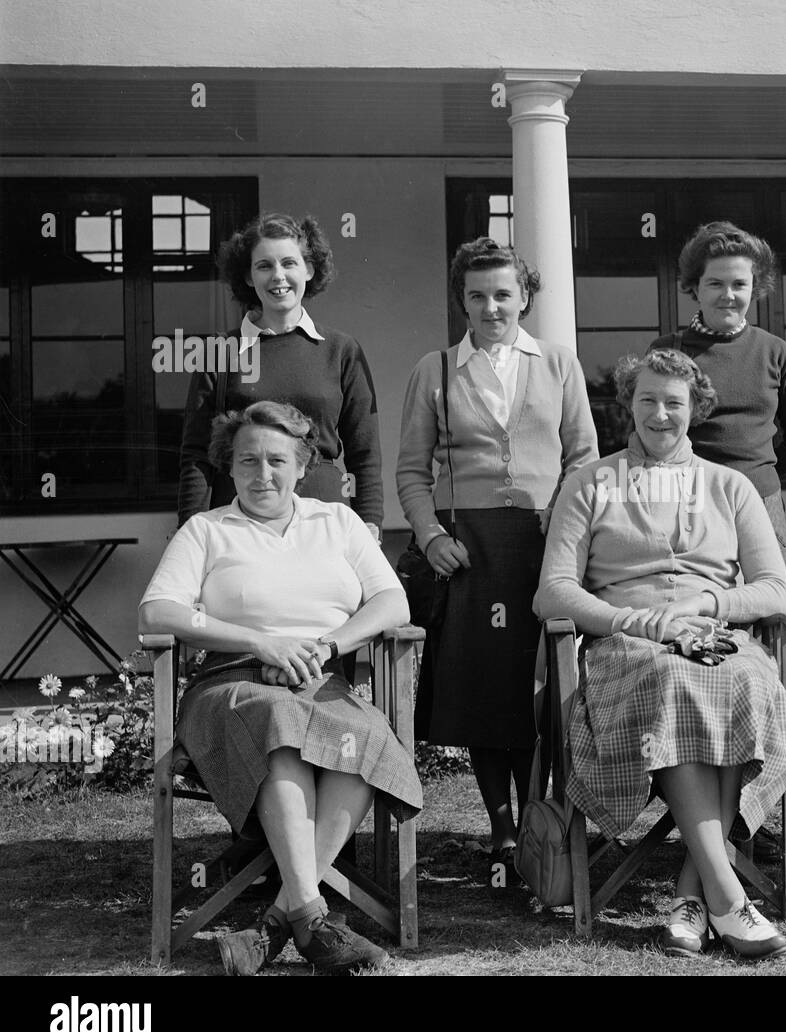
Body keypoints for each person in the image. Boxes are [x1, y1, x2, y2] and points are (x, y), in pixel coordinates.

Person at [534, 349, 786, 960]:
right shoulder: (589, 483)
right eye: (648, 399)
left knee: (743, 682)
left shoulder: (730, 486)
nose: (660, 414)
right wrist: (635, 620)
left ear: (696, 411)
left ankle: (694, 892)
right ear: (627, 403)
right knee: (675, 682)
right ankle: (730, 900)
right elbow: (553, 590)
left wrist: (706, 607)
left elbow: (774, 589)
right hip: (626, 649)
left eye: (674, 403)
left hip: (714, 639)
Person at [140, 401, 423, 974]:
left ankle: (280, 922)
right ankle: (315, 920)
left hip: (321, 680)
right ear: (230, 468)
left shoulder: (337, 522)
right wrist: (258, 642)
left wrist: (330, 645)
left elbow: (393, 601)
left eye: (276, 460)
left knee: (361, 737)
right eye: (248, 462)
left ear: (301, 465)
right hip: (230, 684)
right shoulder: (208, 530)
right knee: (280, 726)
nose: (262, 474)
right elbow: (157, 609)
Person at [396, 238, 598, 882]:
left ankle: (550, 816)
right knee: (485, 690)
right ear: (462, 300)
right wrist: (430, 537)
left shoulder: (559, 364)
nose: (491, 307)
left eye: (503, 295)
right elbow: (410, 470)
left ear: (525, 297)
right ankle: (501, 827)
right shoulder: (435, 369)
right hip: (468, 551)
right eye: (477, 296)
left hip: (544, 546)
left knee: (538, 685)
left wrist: (563, 517)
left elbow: (585, 459)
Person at [178, 212, 383, 543]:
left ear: (310, 269)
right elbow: (197, 455)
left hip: (324, 521)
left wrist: (370, 521)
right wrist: (189, 530)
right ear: (247, 276)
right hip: (238, 525)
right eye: (264, 266)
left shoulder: (342, 350)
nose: (278, 276)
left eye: (289, 263)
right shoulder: (219, 352)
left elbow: (365, 451)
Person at [651, 221, 786, 575]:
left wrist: (754, 474)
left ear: (756, 288)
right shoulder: (667, 351)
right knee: (694, 619)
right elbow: (647, 435)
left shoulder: (776, 352)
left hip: (762, 505)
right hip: (689, 507)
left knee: (771, 615)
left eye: (739, 284)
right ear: (695, 286)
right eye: (715, 283)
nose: (728, 294)